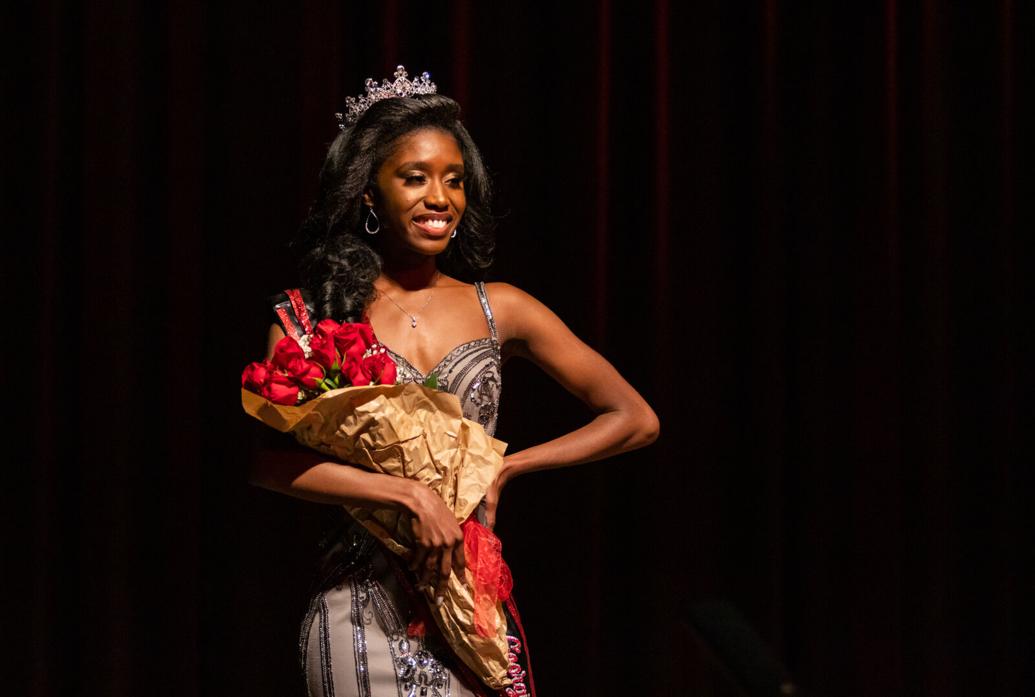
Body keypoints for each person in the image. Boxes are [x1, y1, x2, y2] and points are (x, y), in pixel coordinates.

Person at [250, 67, 659, 697]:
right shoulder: (315, 314)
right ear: (369, 193)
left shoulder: (502, 307)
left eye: (454, 180)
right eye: (414, 178)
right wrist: (406, 495)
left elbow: (634, 417)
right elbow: (266, 463)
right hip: (360, 606)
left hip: (471, 603)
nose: (440, 197)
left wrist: (506, 469)